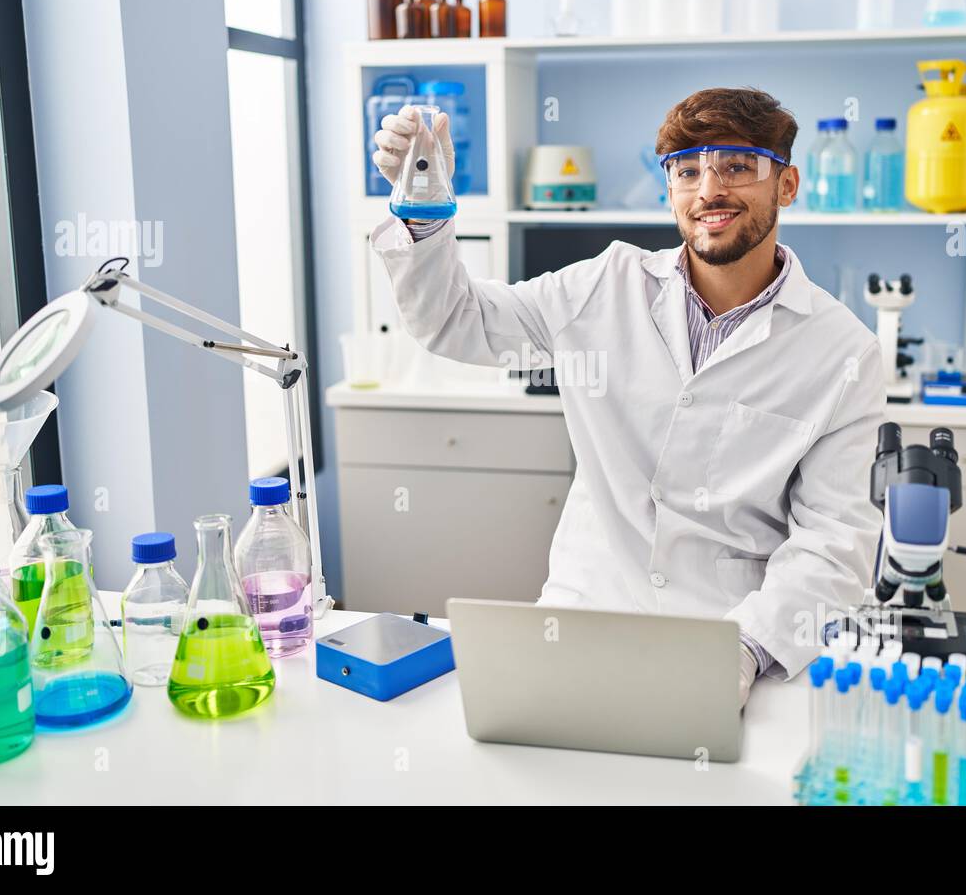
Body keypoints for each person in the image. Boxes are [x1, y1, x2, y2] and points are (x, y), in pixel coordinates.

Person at [371, 87, 883, 706]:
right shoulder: (605, 285)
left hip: (733, 642)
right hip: (584, 619)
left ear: (787, 184)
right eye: (687, 171)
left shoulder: (843, 351)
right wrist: (426, 213)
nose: (708, 191)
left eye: (737, 167)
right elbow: (458, 321)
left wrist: (744, 649)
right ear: (669, 189)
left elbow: (834, 544)